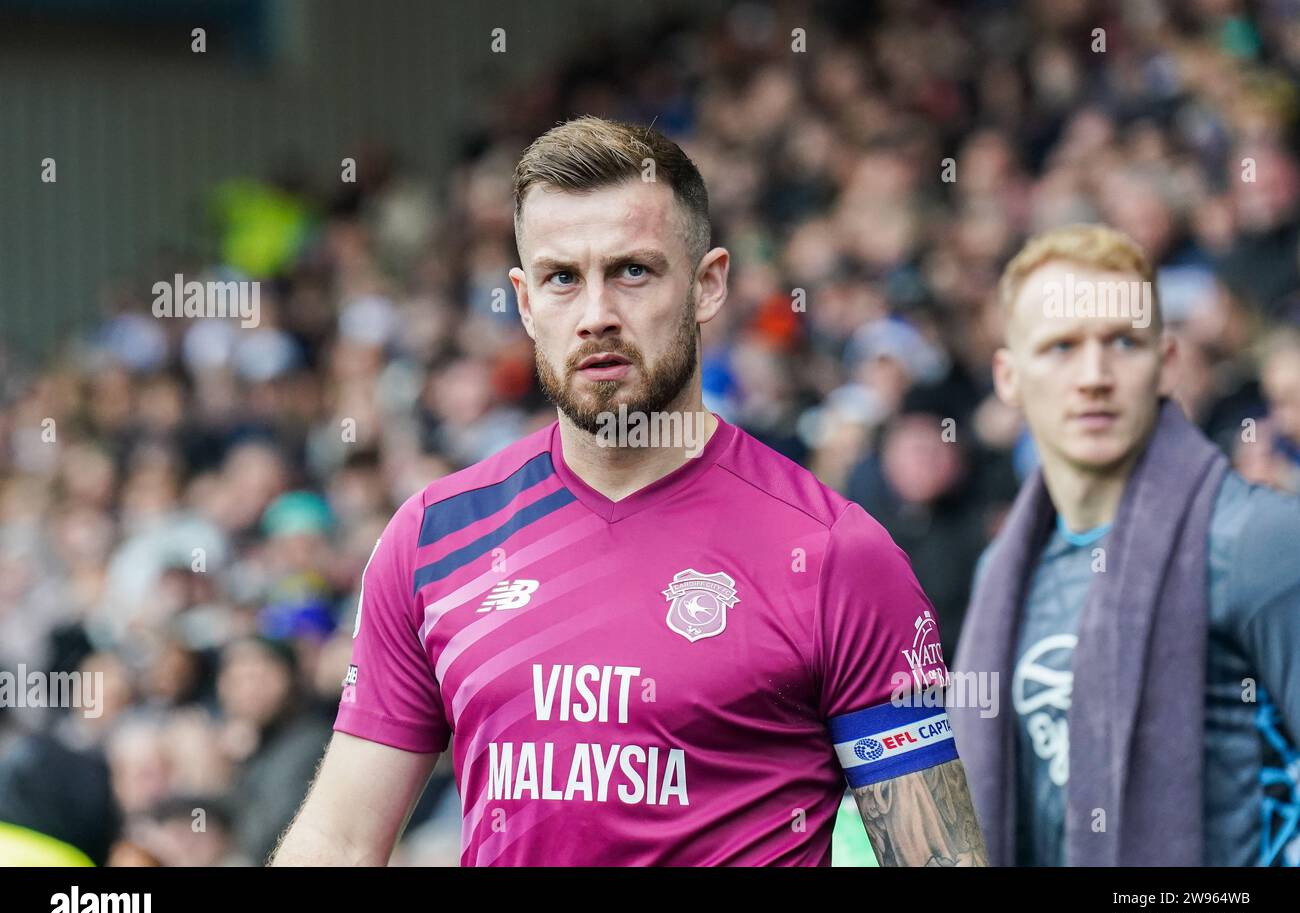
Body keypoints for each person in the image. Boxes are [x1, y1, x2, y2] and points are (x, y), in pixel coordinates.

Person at [272, 116, 987, 867]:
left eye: (633, 271)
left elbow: (938, 861)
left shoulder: (835, 553)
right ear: (522, 300)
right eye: (561, 279)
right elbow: (339, 839)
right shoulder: (433, 536)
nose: (596, 315)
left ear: (709, 284)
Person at [951, 224, 1300, 866]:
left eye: (1123, 343)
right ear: (1008, 377)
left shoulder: (1261, 541)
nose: (1094, 377)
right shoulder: (1000, 570)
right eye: (1060, 347)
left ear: (1167, 363)